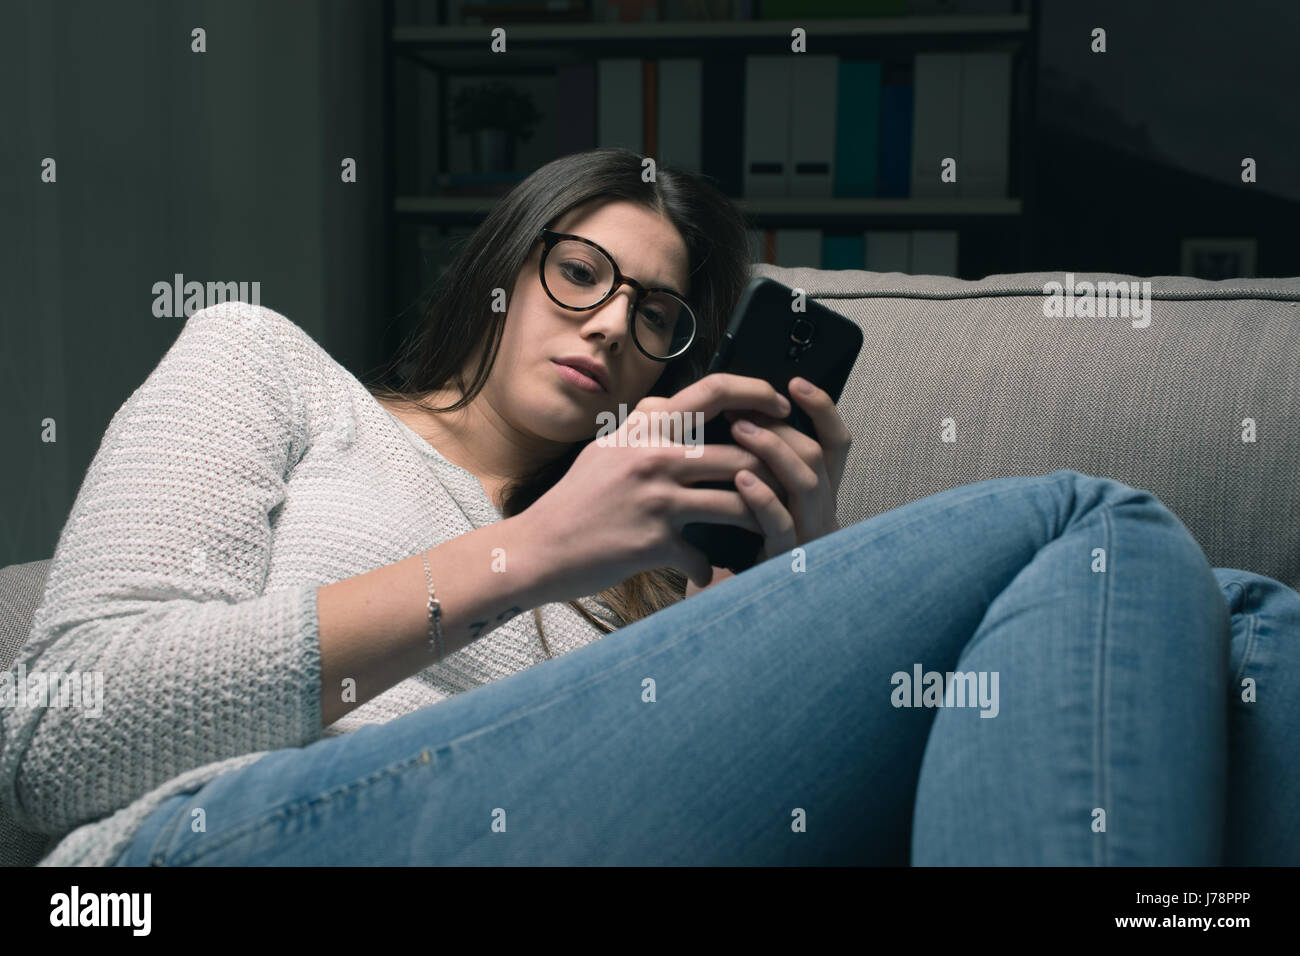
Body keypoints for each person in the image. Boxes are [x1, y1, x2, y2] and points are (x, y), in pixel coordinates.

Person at [3, 148, 1296, 866]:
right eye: (580, 272)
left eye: (655, 313)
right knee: (1096, 529)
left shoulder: (645, 582)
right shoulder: (268, 365)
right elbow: (54, 745)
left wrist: (804, 590)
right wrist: (525, 554)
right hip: (185, 863)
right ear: (503, 273)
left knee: (1244, 623)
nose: (612, 322)